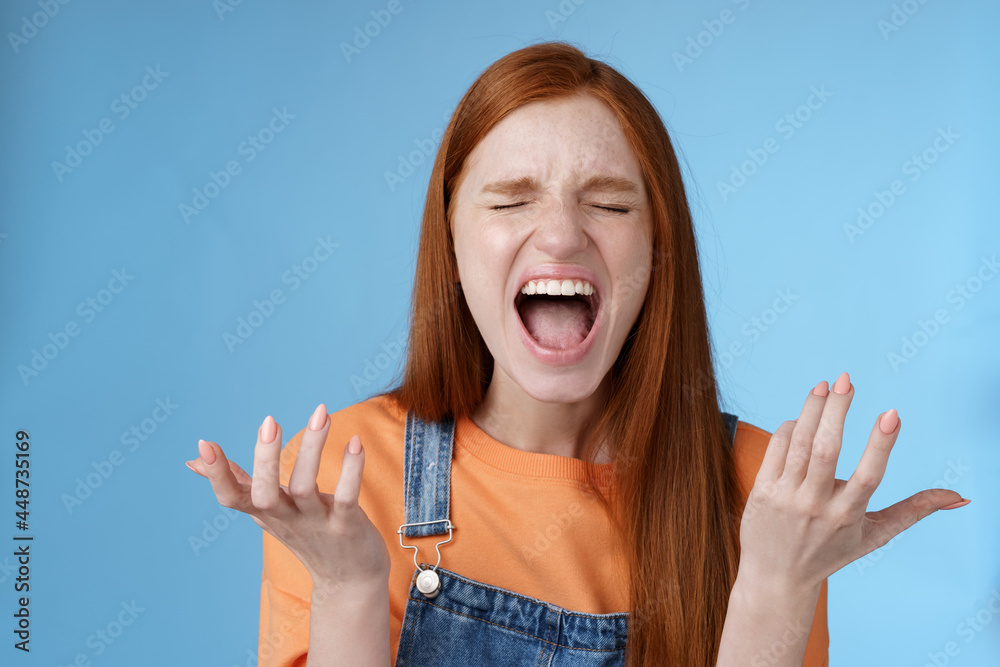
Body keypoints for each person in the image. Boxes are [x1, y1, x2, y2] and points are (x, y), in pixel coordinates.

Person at [185, 41, 970, 666]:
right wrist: (349, 587)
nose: (561, 233)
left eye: (609, 203)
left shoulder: (767, 493)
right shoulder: (343, 480)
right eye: (511, 199)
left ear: (658, 252)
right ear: (452, 248)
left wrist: (774, 581)